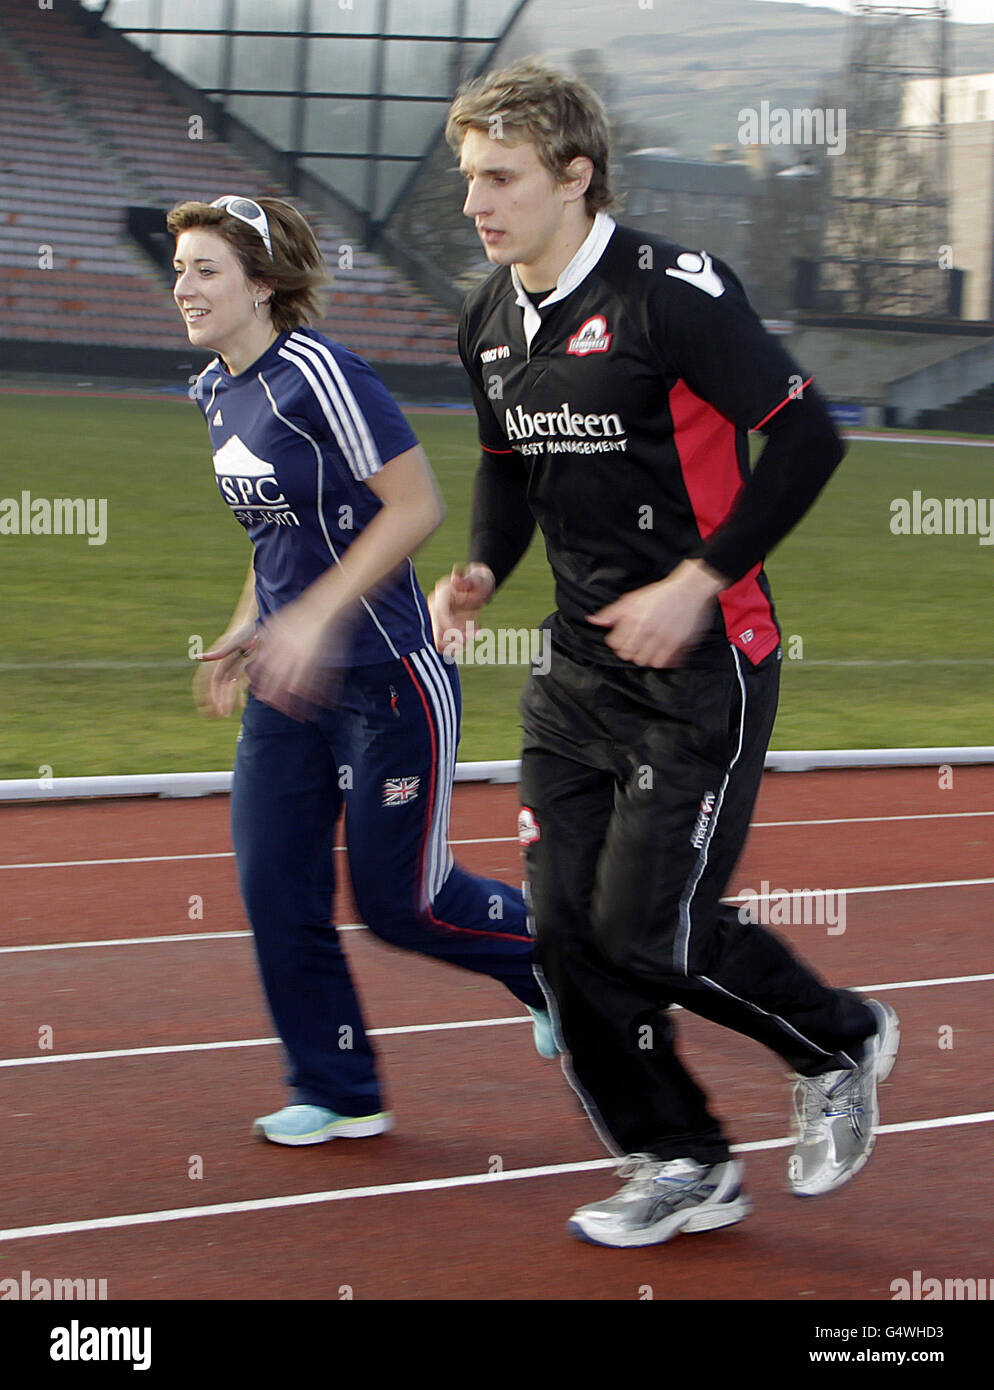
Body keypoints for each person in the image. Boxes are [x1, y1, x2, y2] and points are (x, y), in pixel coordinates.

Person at [430, 59, 900, 1246]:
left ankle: (837, 1039)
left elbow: (805, 435)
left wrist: (697, 581)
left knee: (652, 931)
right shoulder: (487, 318)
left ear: (575, 175)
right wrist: (486, 568)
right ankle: (681, 1158)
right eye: (467, 178)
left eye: (501, 178)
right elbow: (505, 469)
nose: (476, 203)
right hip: (574, 675)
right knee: (562, 938)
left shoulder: (669, 292)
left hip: (705, 666)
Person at [169, 193, 555, 1147]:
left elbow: (415, 506)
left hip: (389, 684)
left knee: (403, 906)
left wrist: (311, 620)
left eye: (207, 269)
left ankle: (560, 965)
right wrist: (246, 630)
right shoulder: (216, 389)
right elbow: (277, 538)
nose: (184, 286)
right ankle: (340, 1090)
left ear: (262, 285)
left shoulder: (319, 372)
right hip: (288, 691)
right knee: (275, 888)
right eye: (179, 268)